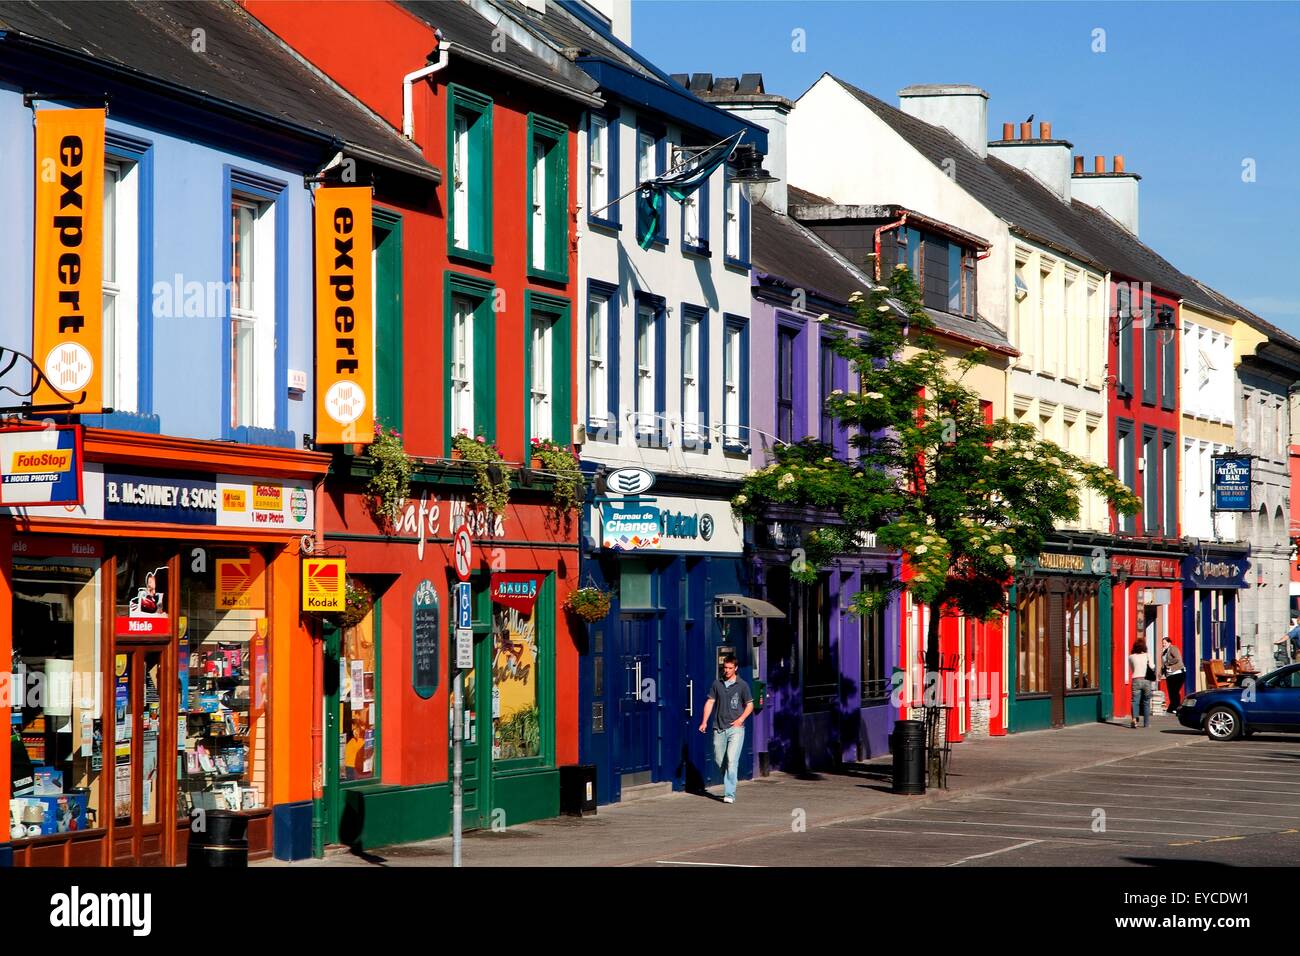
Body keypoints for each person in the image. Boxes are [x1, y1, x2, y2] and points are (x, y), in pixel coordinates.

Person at [698, 655, 753, 804]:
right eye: (725, 668)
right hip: (719, 728)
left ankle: (730, 793)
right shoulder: (717, 684)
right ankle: (730, 778)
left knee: (731, 761)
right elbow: (710, 702)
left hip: (736, 729)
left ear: (735, 668)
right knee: (719, 759)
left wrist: (740, 720)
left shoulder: (742, 685)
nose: (727, 671)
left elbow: (750, 705)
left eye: (730, 668)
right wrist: (704, 722)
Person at [1128, 637, 1153, 729]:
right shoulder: (1147, 655)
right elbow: (1152, 666)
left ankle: (1134, 719)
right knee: (1146, 701)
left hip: (1136, 679)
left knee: (1135, 701)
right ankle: (1146, 723)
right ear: (1144, 647)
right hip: (1146, 680)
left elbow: (1132, 668)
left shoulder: (1131, 657)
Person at [1160, 636, 1186, 713]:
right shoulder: (1164, 652)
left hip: (1178, 673)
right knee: (1171, 692)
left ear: (1169, 643)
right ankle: (1172, 707)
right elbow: (1164, 664)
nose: (1163, 644)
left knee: (1175, 691)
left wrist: (1168, 663)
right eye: (1163, 643)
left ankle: (1176, 707)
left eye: (1165, 643)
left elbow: (1177, 658)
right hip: (1169, 674)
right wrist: (1161, 672)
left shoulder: (1173, 648)